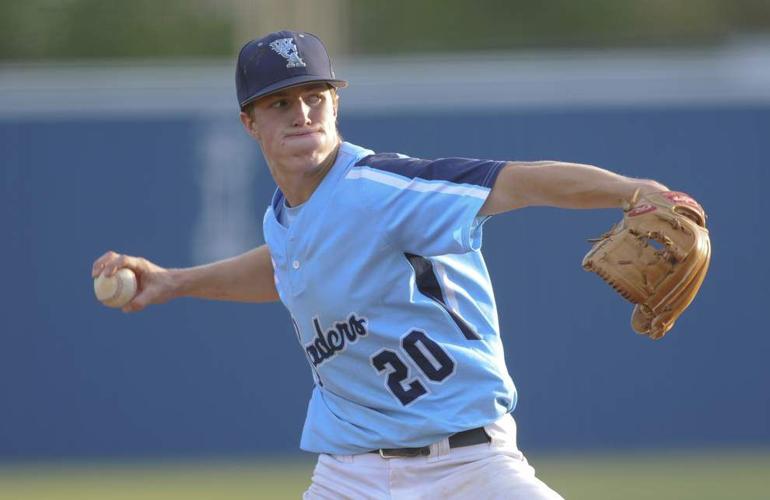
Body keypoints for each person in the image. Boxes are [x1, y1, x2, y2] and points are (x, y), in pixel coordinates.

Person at [92, 30, 668, 499]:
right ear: (250, 122)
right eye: (280, 103)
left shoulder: (383, 188)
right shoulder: (285, 218)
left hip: (468, 466)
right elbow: (283, 268)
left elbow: (518, 182)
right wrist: (174, 282)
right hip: (351, 476)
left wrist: (629, 190)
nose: (303, 114)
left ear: (335, 103)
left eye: (315, 97)